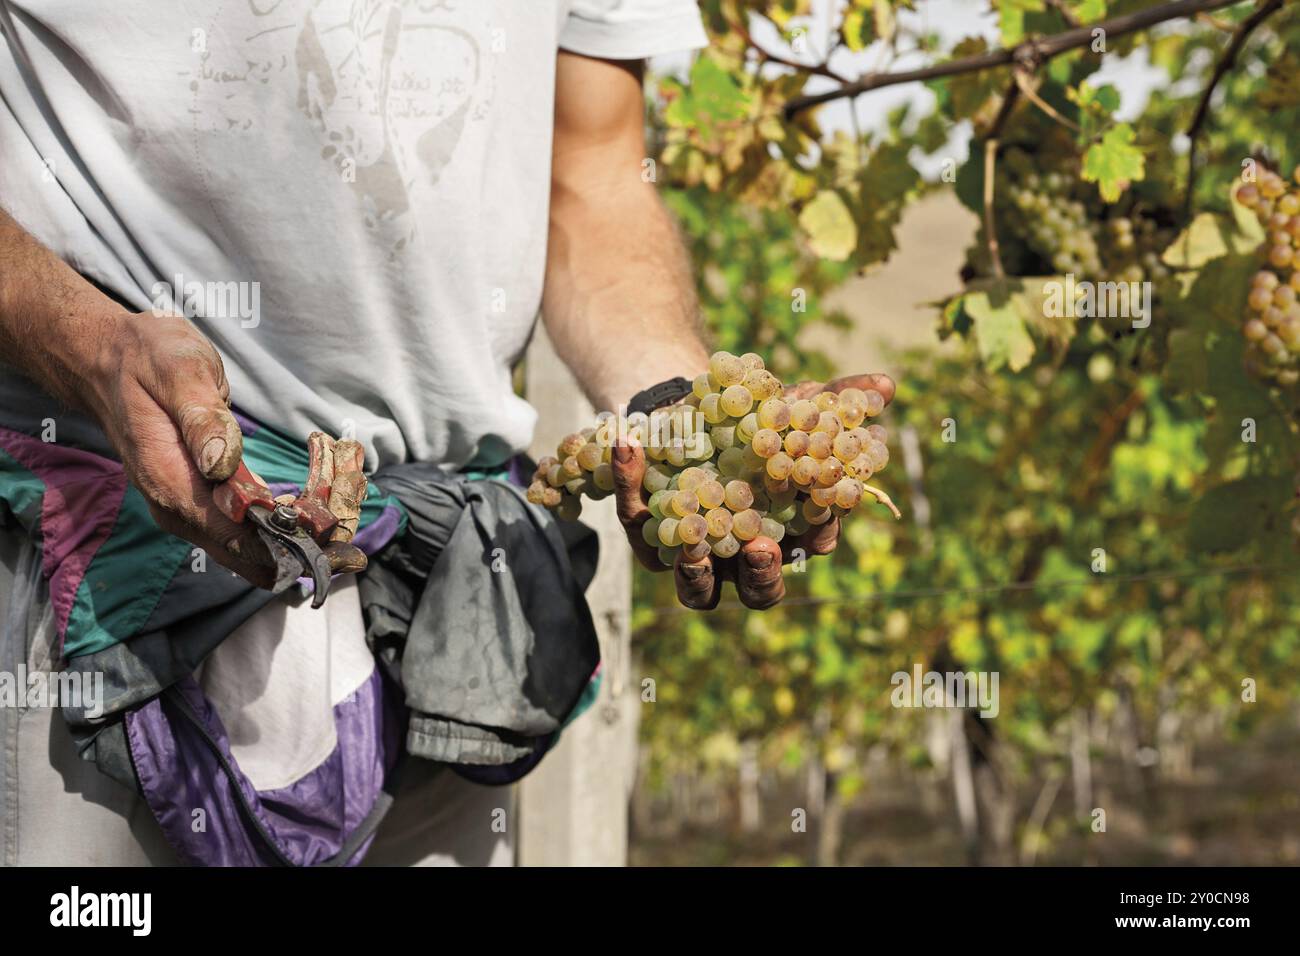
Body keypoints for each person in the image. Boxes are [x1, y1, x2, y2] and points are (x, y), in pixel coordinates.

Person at [0, 0, 891, 866]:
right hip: (111, 570)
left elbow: (595, 181)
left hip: (443, 592)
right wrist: (91, 347)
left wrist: (673, 405)